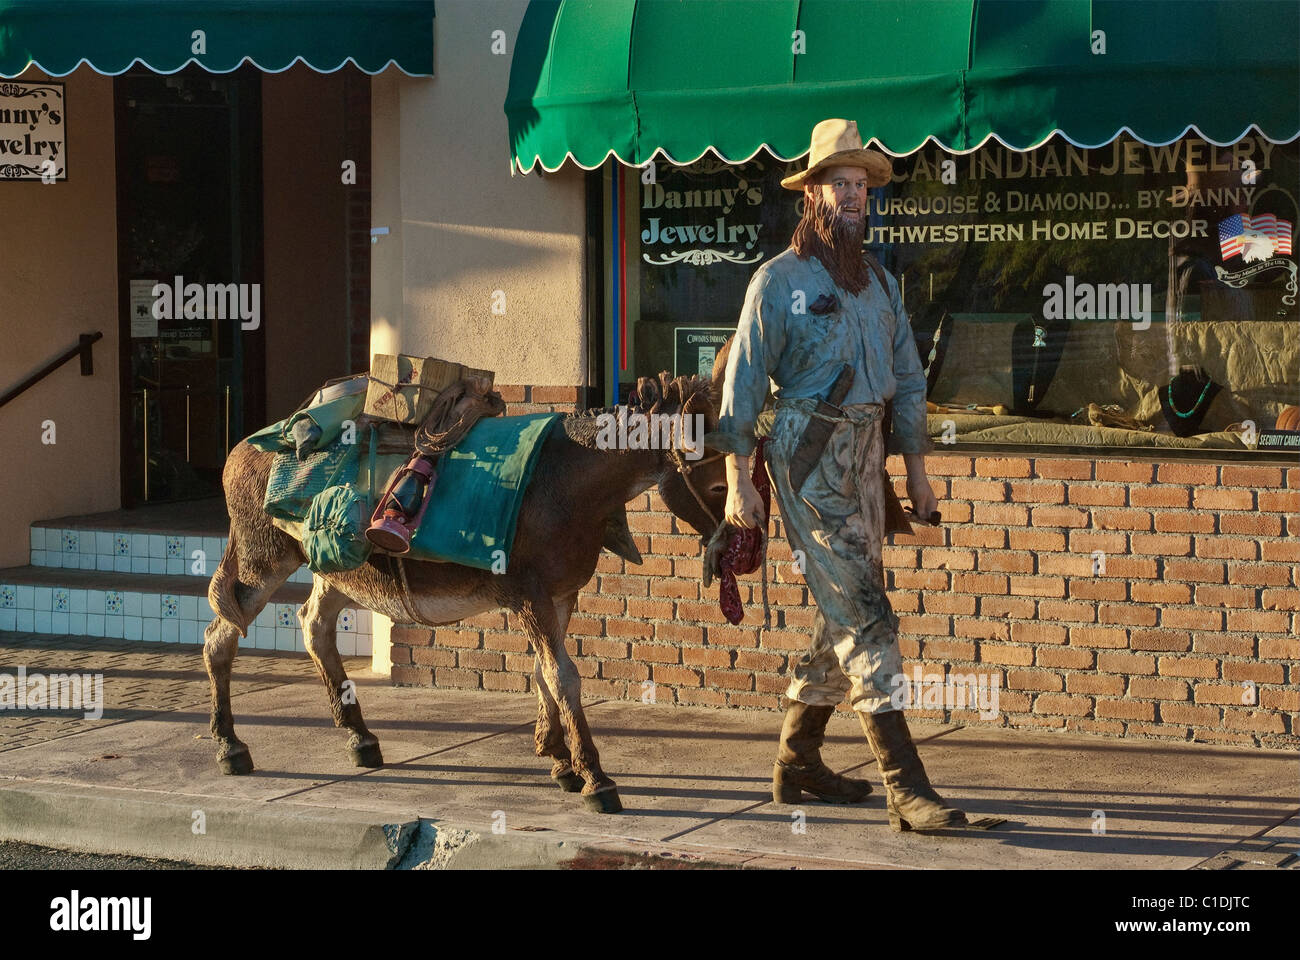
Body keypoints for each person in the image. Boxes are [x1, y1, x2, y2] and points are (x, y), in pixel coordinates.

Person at [712, 118, 967, 832]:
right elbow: (741, 394)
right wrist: (739, 484)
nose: (854, 195)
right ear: (813, 194)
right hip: (807, 451)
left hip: (869, 454)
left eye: (861, 185)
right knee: (866, 611)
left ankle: (797, 757)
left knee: (844, 609)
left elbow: (910, 382)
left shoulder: (880, 283)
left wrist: (916, 474)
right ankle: (907, 787)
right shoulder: (777, 281)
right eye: (841, 183)